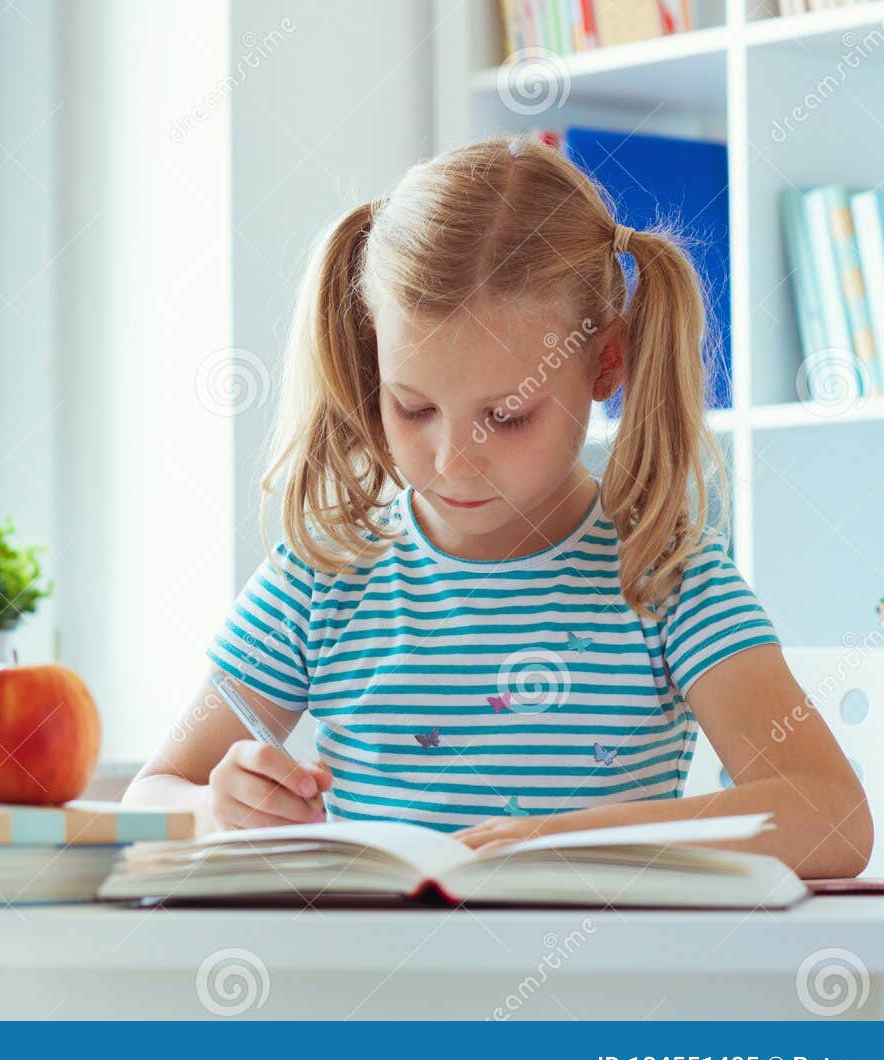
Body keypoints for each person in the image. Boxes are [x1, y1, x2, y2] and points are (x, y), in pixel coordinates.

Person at [124, 135, 872, 878]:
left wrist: (562, 840)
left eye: (508, 415)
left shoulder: (664, 577)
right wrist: (220, 810)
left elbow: (832, 815)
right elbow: (148, 799)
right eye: (413, 408)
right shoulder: (321, 577)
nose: (453, 460)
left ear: (605, 361)